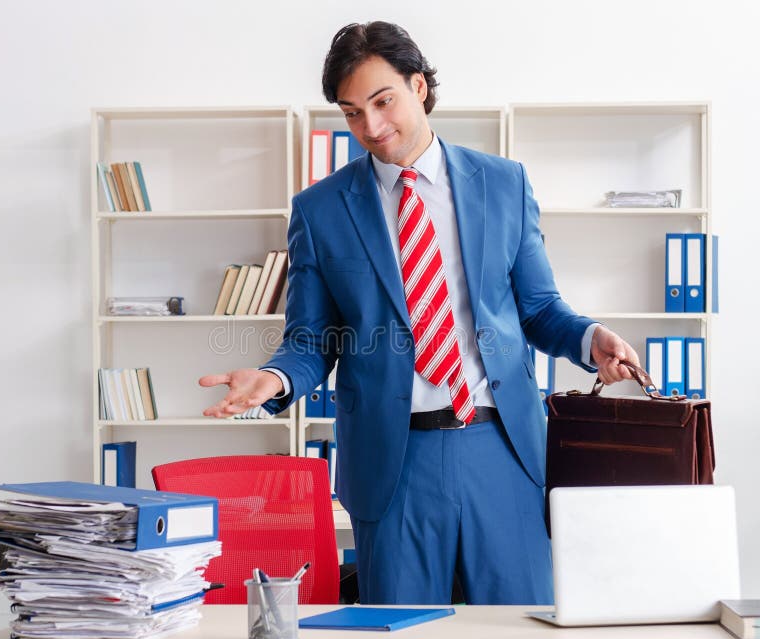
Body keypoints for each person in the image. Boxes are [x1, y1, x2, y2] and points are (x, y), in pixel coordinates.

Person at [200, 21, 640, 605]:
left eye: (384, 102)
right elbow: (312, 339)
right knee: (399, 635)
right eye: (352, 113)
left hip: (503, 449)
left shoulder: (504, 184)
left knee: (516, 635)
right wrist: (275, 378)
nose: (372, 128)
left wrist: (589, 339)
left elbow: (537, 310)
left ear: (420, 86)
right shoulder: (320, 209)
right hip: (393, 461)